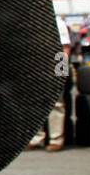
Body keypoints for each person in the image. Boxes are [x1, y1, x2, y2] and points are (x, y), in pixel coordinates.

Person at [30, 14, 71, 151]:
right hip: (35, 68)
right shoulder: (31, 22)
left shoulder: (57, 22)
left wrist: (61, 72)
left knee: (56, 104)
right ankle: (36, 138)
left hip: (53, 67)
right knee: (35, 103)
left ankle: (56, 140)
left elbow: (64, 48)